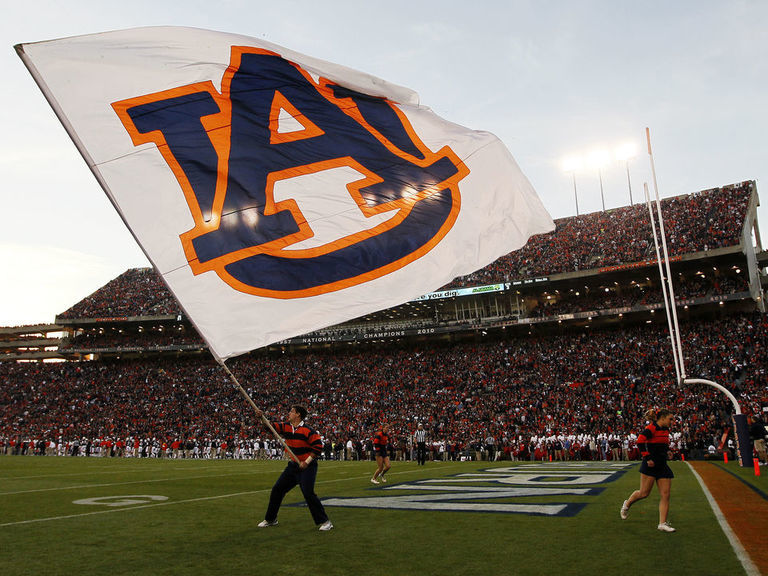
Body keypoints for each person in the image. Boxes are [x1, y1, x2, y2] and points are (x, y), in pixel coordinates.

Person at [254, 405, 333, 531]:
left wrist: (306, 462)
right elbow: (270, 427)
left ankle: (325, 521)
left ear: (298, 415)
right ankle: (271, 519)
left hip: (308, 467)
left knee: (308, 493)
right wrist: (261, 418)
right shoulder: (286, 427)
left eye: (292, 411)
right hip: (293, 466)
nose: (289, 413)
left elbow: (318, 447)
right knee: (277, 489)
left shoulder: (308, 430)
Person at [620, 408, 676, 532]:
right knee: (644, 493)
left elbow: (662, 444)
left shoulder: (666, 429)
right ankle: (627, 504)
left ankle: (662, 523)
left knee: (665, 495)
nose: (672, 421)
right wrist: (647, 457)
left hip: (662, 464)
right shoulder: (651, 428)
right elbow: (640, 441)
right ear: (662, 418)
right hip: (650, 465)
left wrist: (668, 451)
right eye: (670, 419)